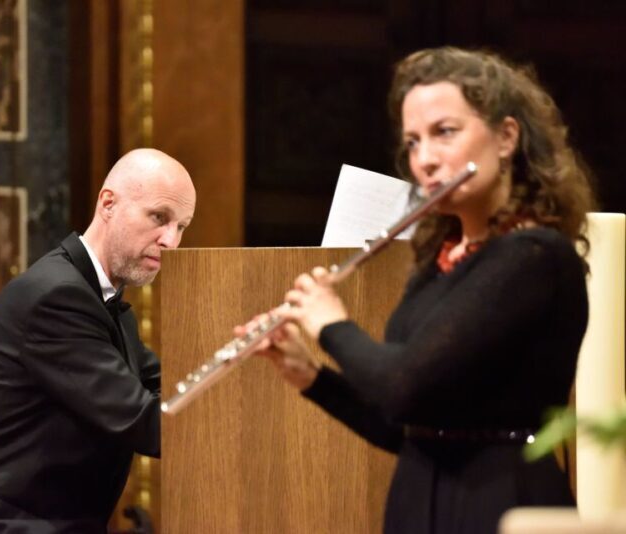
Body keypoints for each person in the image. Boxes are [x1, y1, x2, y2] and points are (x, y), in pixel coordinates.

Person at [251, 47, 596, 534]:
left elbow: (402, 385)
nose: (426, 160)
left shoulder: (534, 257)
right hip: (421, 502)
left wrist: (331, 324)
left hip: (502, 505)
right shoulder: (441, 263)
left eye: (445, 133)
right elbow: (403, 426)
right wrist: (310, 376)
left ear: (506, 136)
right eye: (413, 143)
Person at [0, 148, 196, 533]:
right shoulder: (56, 298)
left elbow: (168, 389)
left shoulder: (104, 302)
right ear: (108, 203)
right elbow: (144, 422)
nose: (171, 240)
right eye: (159, 217)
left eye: (182, 227)